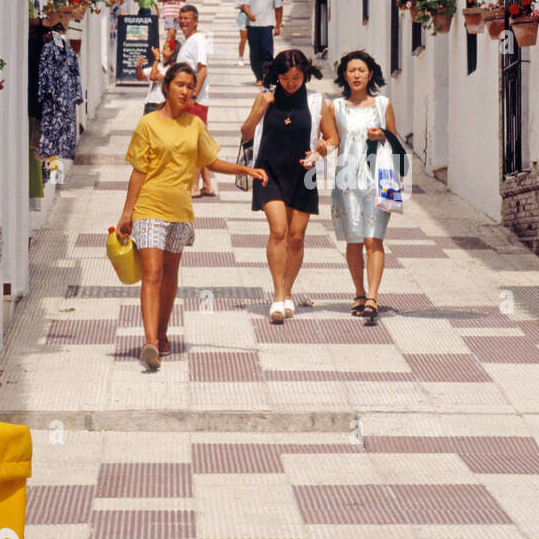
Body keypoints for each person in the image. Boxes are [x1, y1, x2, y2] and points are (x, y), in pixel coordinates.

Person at [118, 64, 267, 370]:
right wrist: (127, 212)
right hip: (149, 207)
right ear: (167, 86)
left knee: (170, 277)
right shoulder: (148, 123)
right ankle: (149, 343)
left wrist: (245, 169)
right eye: (180, 85)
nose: (185, 91)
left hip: (180, 210)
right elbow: (139, 171)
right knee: (153, 273)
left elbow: (210, 161)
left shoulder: (195, 125)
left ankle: (161, 333)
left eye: (190, 86)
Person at [240, 50, 333, 322]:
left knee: (296, 236)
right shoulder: (265, 98)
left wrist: (322, 150)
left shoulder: (317, 102)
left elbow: (332, 138)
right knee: (278, 231)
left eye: (296, 77)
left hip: (304, 174)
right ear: (276, 76)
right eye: (285, 77)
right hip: (268, 171)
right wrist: (259, 110)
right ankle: (278, 296)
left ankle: (288, 291)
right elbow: (246, 133)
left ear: (304, 75)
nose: (291, 83)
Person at [320, 51, 397, 321]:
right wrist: (321, 148)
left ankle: (373, 298)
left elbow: (396, 143)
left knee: (373, 240)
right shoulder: (335, 108)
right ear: (343, 75)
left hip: (376, 181)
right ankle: (359, 293)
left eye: (361, 70)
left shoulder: (383, 104)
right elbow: (332, 141)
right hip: (346, 183)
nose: (356, 75)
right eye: (351, 70)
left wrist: (383, 135)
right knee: (353, 241)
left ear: (370, 74)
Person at [170, 4, 216, 197]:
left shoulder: (198, 40)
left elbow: (202, 70)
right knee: (200, 141)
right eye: (180, 18)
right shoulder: (188, 41)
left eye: (187, 19)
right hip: (191, 99)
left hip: (195, 100)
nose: (183, 22)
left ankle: (194, 187)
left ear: (196, 21)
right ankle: (207, 184)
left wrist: (193, 97)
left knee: (193, 143)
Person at [38, 20, 82, 161]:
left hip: (64, 100)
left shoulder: (70, 53)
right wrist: (44, 92)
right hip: (53, 100)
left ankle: (58, 160)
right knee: (51, 132)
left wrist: (77, 95)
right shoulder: (48, 49)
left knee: (64, 133)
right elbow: (43, 71)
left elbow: (76, 75)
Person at [241, 0, 283, 86]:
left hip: (267, 26)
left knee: (267, 52)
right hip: (253, 27)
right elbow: (245, 5)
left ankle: (267, 76)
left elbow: (279, 8)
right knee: (254, 53)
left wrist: (278, 26)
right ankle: (258, 77)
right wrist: (249, 15)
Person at [139, 27, 177, 115]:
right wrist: (138, 66)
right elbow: (141, 76)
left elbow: (153, 77)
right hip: (151, 103)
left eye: (165, 49)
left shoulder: (171, 69)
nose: (162, 52)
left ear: (173, 52)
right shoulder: (161, 66)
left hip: (160, 104)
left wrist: (156, 59)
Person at [234, 0, 250, 69]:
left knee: (254, 40)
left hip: (254, 17)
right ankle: (240, 58)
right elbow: (237, 4)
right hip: (243, 16)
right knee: (243, 39)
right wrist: (245, 7)